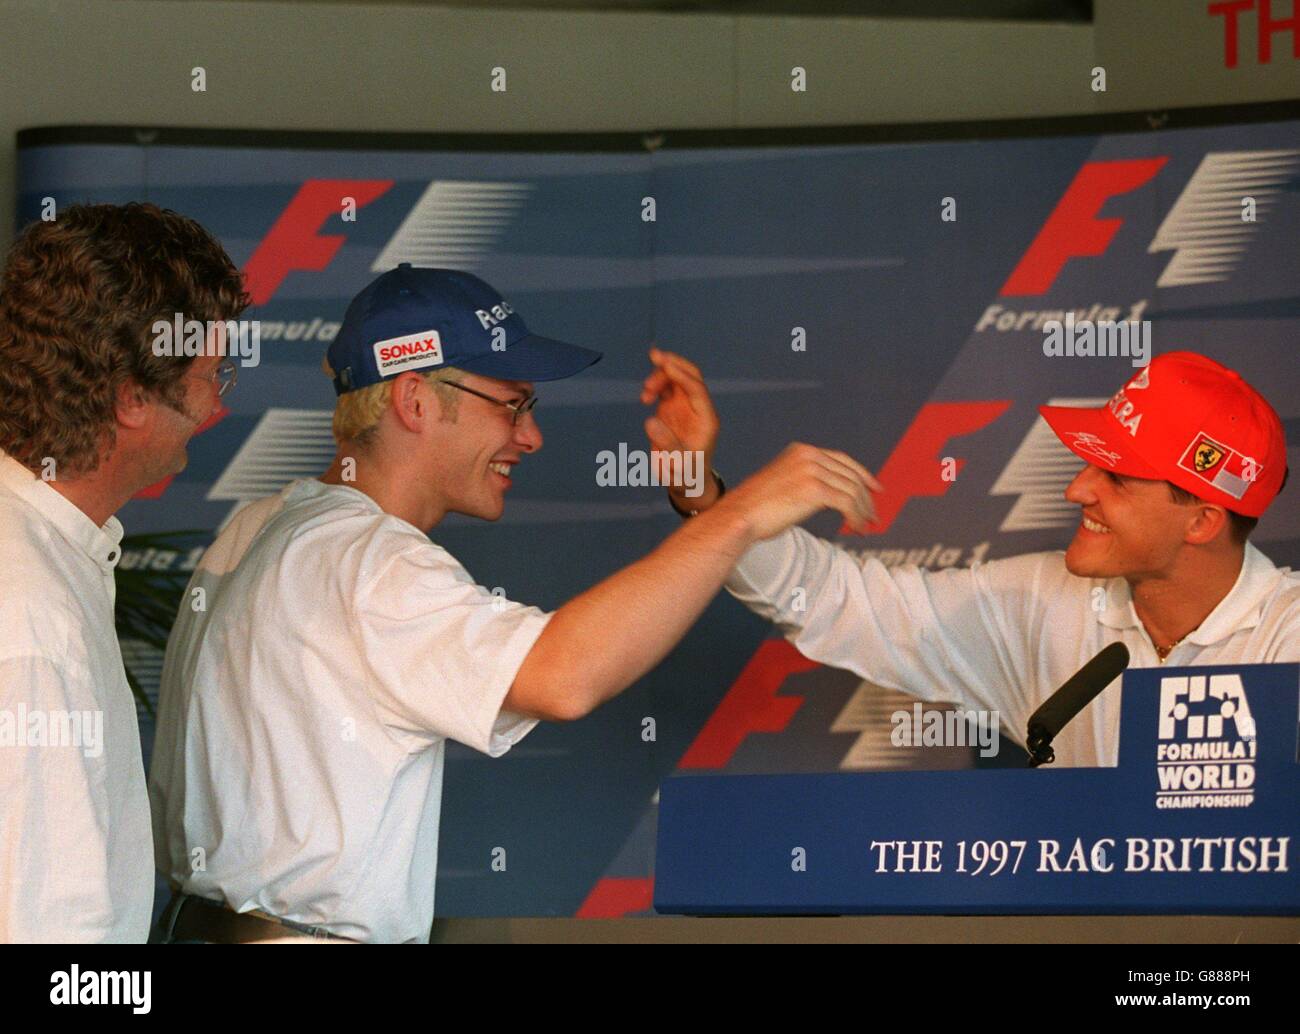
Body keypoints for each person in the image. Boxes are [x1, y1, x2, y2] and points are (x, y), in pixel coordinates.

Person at [149, 264, 878, 943]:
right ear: (413, 399)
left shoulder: (262, 524)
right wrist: (740, 514)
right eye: (512, 403)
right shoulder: (370, 562)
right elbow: (564, 675)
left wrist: (704, 493)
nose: (530, 436)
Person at [645, 349, 1299, 768]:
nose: (1078, 489)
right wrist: (703, 492)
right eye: (1089, 463)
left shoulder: (1288, 638)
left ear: (1205, 520)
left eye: (1117, 478)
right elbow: (839, 602)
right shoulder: (1037, 603)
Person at [0, 202, 247, 941]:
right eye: (213, 376)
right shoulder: (33, 620)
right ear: (131, 397)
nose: (218, 408)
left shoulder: (41, 561)